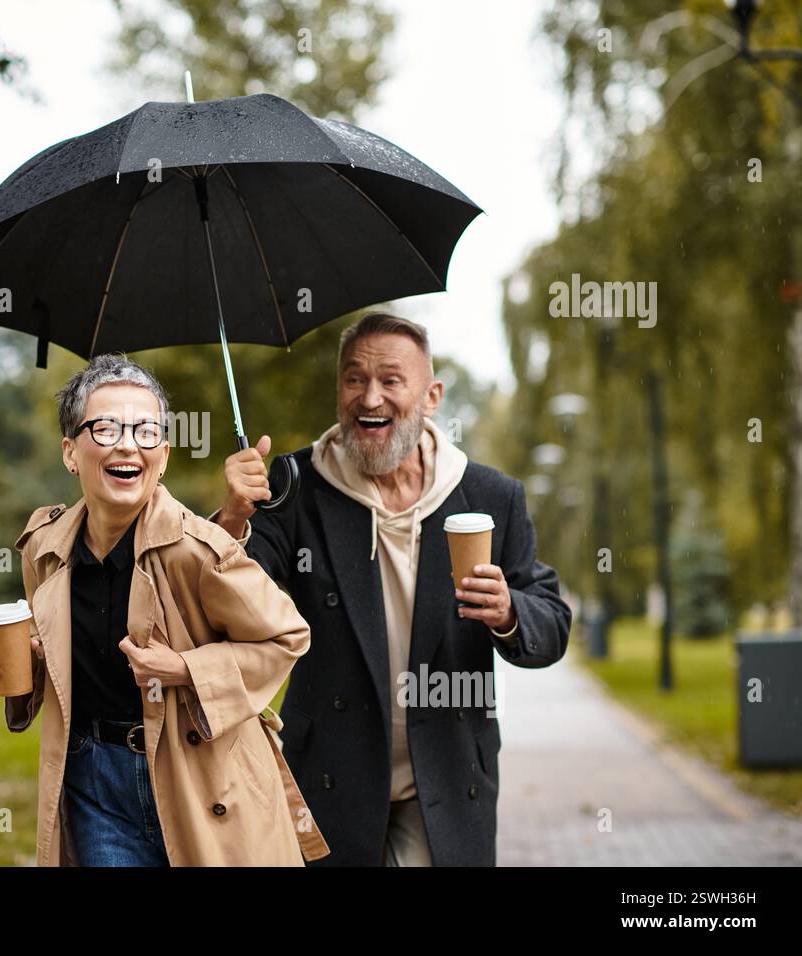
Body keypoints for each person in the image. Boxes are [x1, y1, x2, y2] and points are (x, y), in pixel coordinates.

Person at [213, 312, 572, 866]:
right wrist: (235, 516)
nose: (370, 397)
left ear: (431, 396)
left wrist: (509, 611)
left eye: (390, 380)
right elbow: (228, 605)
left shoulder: (488, 495)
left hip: (448, 779)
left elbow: (551, 625)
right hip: (331, 776)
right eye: (354, 379)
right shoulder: (291, 485)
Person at [0, 353, 329, 867]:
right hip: (93, 780)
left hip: (202, 775)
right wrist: (26, 664)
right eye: (105, 428)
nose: (126, 443)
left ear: (162, 455)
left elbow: (287, 636)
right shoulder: (43, 547)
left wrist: (187, 668)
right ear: (70, 452)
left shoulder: (199, 550)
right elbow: (64, 662)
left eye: (145, 431)